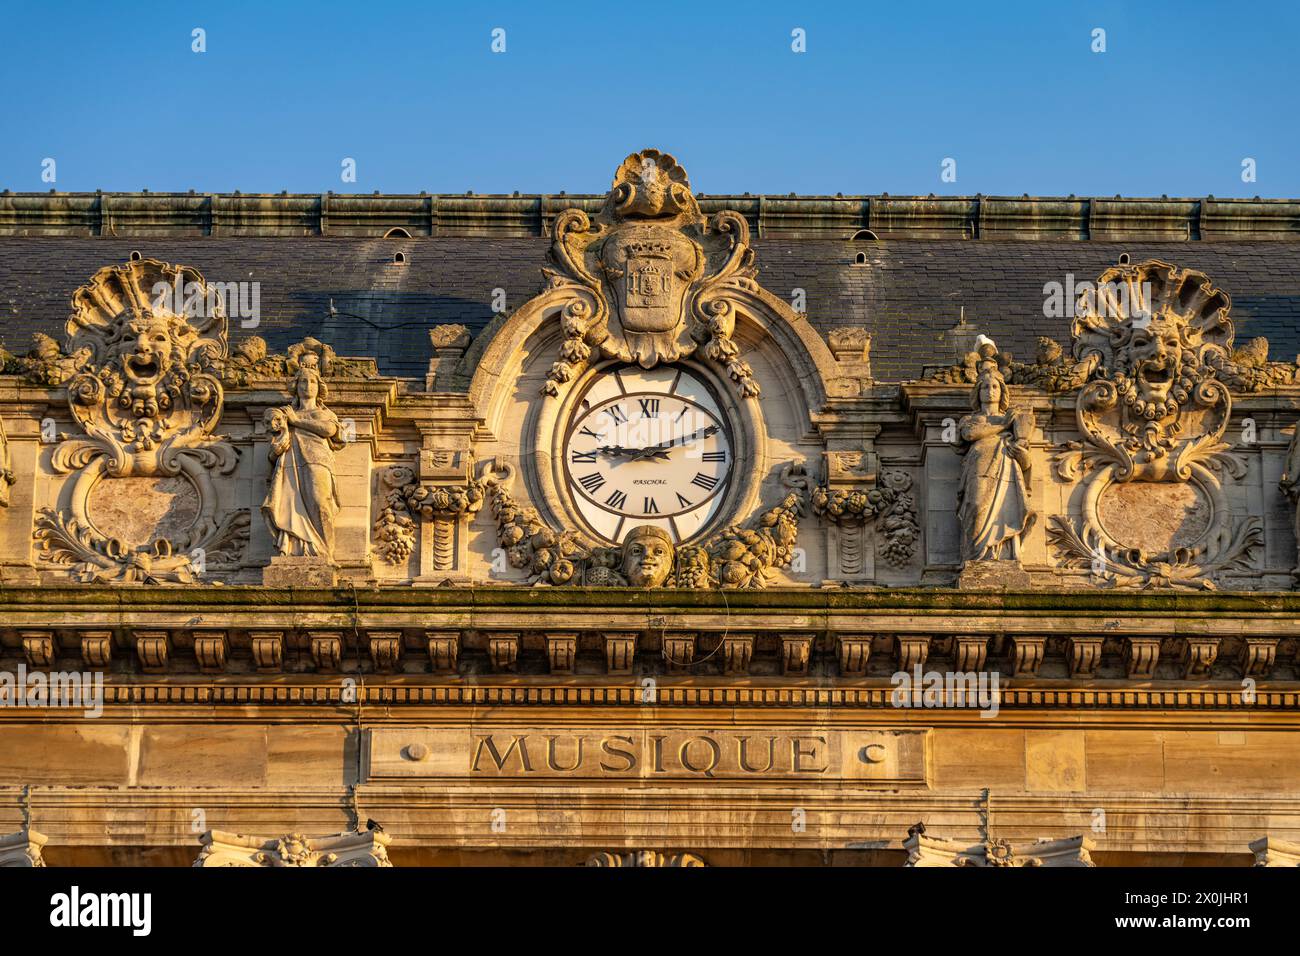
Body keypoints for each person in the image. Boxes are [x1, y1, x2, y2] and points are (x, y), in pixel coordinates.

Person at [262, 356, 345, 560]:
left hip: (318, 461)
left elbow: (328, 429)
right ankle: (297, 548)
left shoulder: (322, 413)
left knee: (320, 502)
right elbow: (273, 451)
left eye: (313, 381)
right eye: (303, 381)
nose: (308, 386)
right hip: (290, 463)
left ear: (319, 387)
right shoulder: (286, 414)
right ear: (296, 386)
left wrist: (296, 421)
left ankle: (325, 552)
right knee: (289, 505)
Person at [956, 362, 1034, 562]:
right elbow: (970, 433)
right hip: (978, 469)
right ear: (978, 392)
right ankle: (975, 557)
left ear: (1002, 391)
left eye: (994, 387)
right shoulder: (971, 419)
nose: (990, 391)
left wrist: (1020, 453)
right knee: (974, 505)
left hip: (1005, 470)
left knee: (1004, 511)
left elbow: (1025, 464)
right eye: (984, 387)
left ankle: (1000, 555)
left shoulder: (1013, 421)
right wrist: (1003, 425)